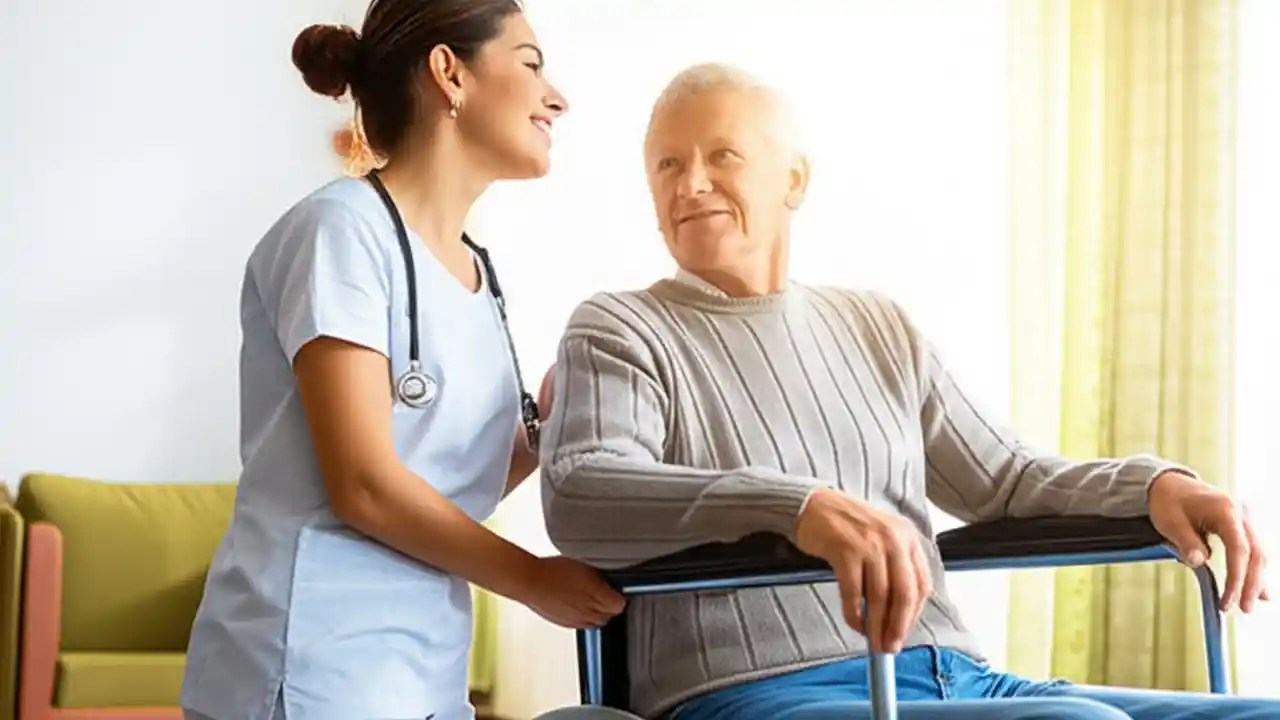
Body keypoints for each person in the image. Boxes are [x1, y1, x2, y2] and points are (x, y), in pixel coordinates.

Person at [538, 62, 1275, 720]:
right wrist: (799, 507)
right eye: (666, 165)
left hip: (957, 677)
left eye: (721, 155)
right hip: (757, 692)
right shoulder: (618, 327)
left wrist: (1155, 488)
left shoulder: (876, 325)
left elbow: (1008, 480)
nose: (689, 183)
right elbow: (581, 490)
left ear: (794, 180)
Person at [179, 2, 626, 719]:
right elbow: (364, 484)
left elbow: (441, 476)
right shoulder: (340, 232)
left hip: (423, 665)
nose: (557, 97)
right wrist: (534, 581)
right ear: (450, 73)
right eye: (531, 64)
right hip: (314, 662)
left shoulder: (477, 270)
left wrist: (546, 427)